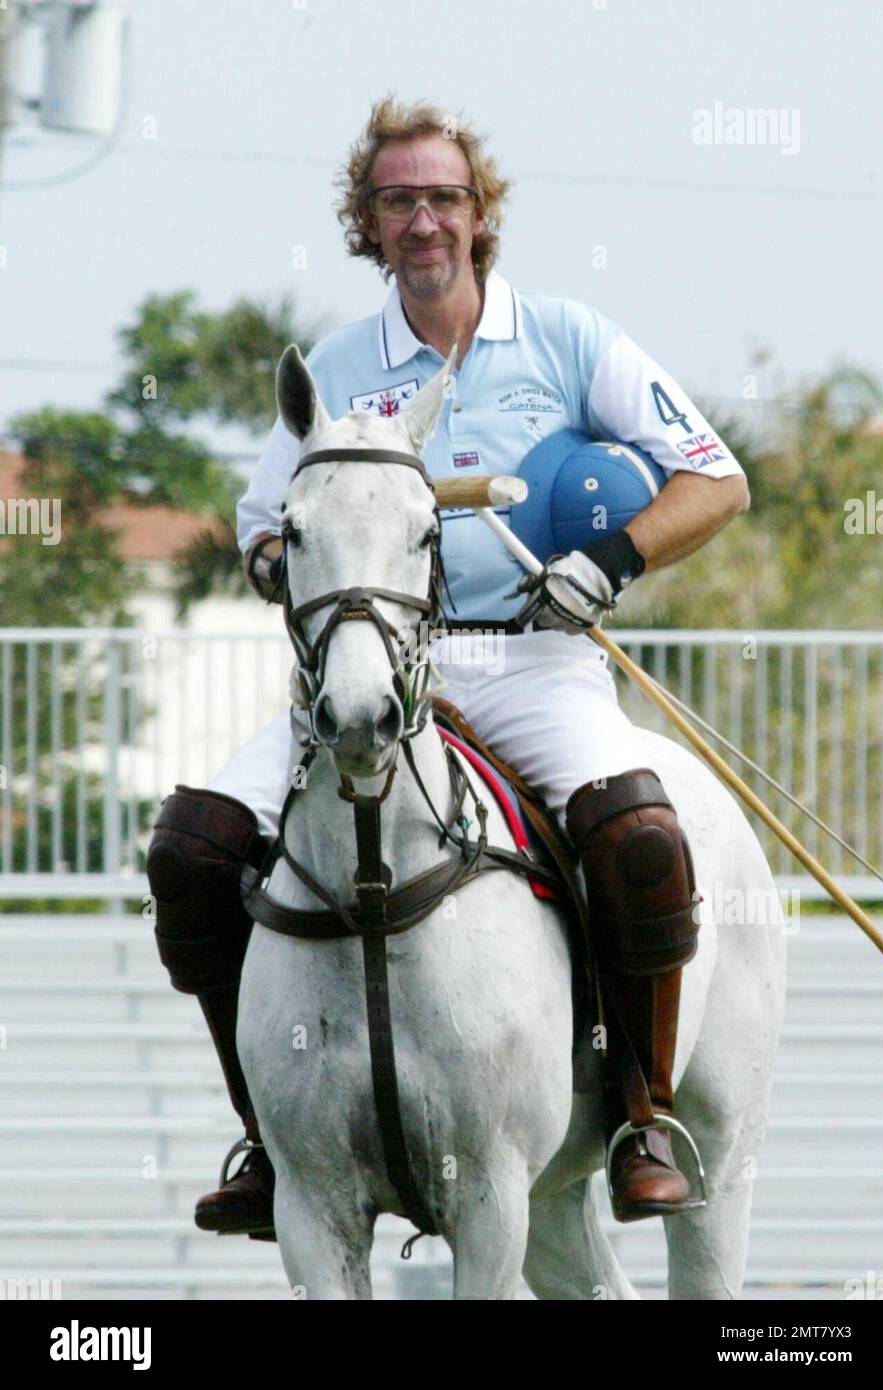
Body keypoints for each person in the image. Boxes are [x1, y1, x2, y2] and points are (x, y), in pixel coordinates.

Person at [147, 95, 750, 1239]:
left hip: (528, 659)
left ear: (479, 216)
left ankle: (640, 1111)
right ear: (365, 224)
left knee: (639, 833)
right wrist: (293, 556)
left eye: (443, 198)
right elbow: (257, 525)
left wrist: (606, 562)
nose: (422, 220)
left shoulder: (566, 337)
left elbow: (712, 479)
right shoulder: (334, 365)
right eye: (396, 201)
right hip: (366, 675)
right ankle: (265, 1137)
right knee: (192, 848)